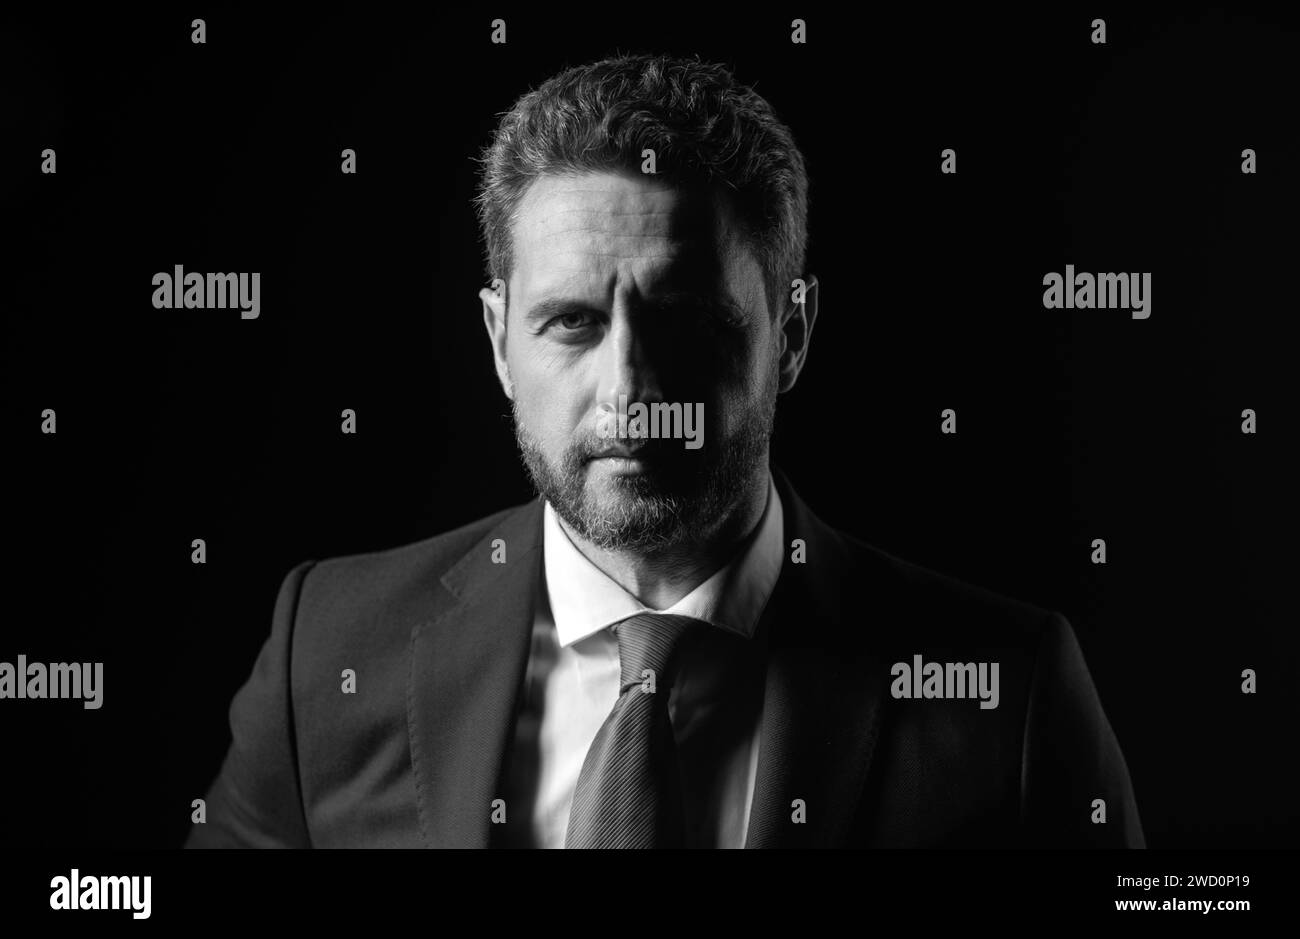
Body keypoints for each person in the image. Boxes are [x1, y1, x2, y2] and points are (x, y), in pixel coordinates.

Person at [187, 53, 1143, 849]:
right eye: (569, 322)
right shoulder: (326, 654)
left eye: (685, 321)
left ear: (793, 334)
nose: (630, 392)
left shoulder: (1009, 698)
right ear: (497, 342)